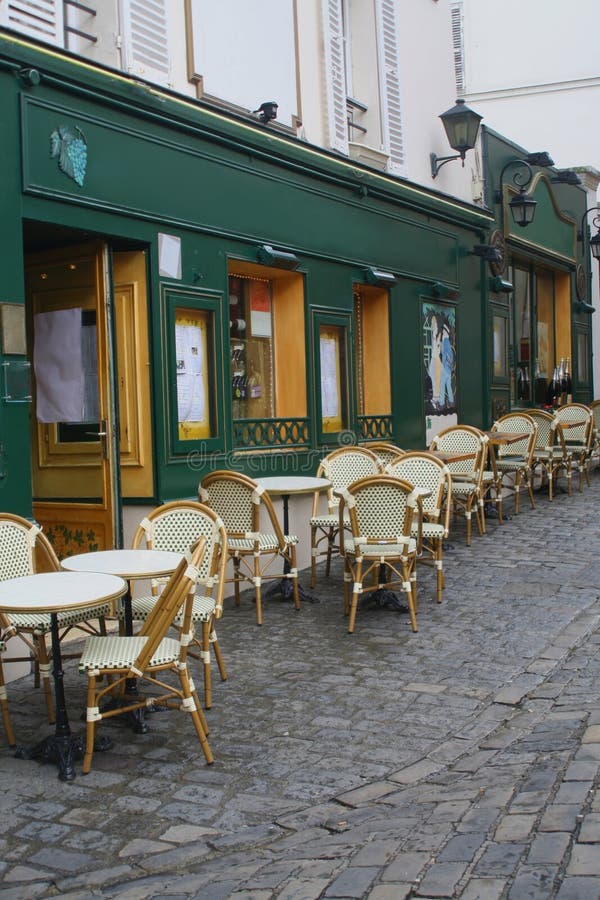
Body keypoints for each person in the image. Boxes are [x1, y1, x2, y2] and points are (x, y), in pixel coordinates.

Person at [438, 322, 455, 411]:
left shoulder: (445, 341)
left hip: (444, 368)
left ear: (446, 333)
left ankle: (441, 403)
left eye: (444, 331)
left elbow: (445, 355)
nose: (443, 333)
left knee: (442, 385)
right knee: (448, 385)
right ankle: (451, 402)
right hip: (448, 369)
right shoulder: (447, 342)